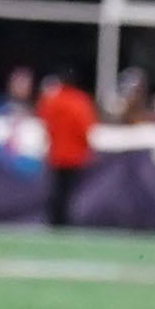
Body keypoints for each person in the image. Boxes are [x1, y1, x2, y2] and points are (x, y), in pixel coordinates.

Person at [37, 69, 99, 228]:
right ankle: (66, 221)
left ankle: (54, 221)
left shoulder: (52, 100)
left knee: (57, 190)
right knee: (70, 192)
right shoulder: (80, 101)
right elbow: (86, 127)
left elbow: (43, 121)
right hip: (75, 155)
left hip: (56, 153)